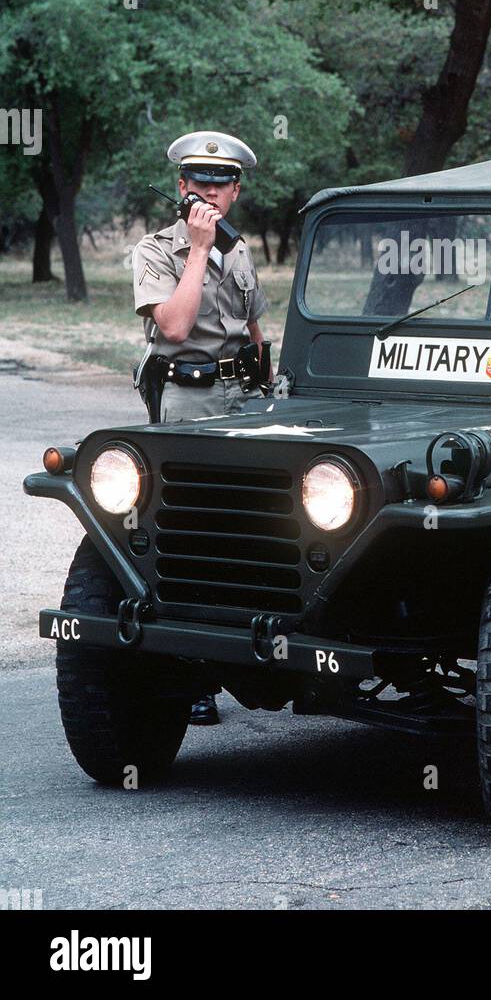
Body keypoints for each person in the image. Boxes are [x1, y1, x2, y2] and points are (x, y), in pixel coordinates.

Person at [132, 130, 271, 724]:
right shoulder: (157, 249)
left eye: (221, 181)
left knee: (250, 523)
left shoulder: (239, 251)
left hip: (243, 397)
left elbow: (256, 329)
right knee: (188, 530)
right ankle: (190, 676)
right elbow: (175, 328)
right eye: (198, 181)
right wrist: (196, 248)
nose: (209, 191)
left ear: (235, 190)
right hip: (187, 399)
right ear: (181, 188)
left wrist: (273, 386)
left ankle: (254, 653)